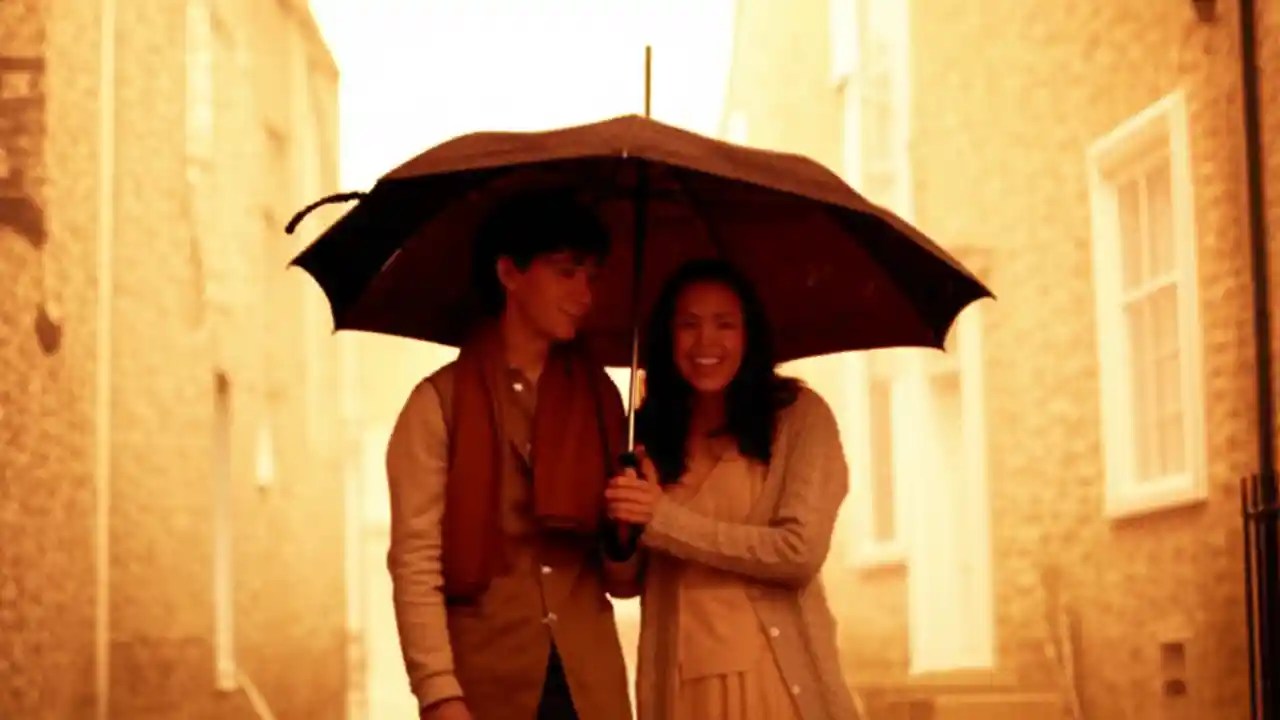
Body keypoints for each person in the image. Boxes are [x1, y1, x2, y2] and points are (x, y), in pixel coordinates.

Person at [386, 191, 639, 720]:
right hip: (485, 686)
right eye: (566, 272)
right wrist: (437, 690)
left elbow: (624, 582)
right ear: (509, 273)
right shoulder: (437, 405)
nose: (584, 294)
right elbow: (415, 562)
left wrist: (630, 528)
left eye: (591, 276)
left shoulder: (602, 400)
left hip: (592, 688)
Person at [604, 259, 860, 720]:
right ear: (667, 336)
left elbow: (798, 552)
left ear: (750, 334)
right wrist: (623, 529)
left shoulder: (800, 418)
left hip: (772, 686)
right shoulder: (646, 433)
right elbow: (625, 584)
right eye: (689, 325)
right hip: (678, 687)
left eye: (725, 324)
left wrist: (661, 519)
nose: (706, 342)